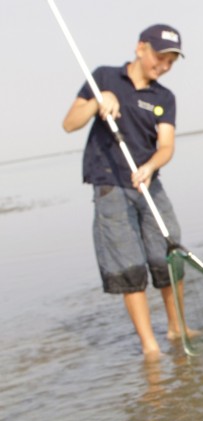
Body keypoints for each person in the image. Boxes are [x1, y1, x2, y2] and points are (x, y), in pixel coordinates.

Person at [62, 24, 186, 360]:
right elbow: (70, 123)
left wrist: (150, 167)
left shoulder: (164, 98)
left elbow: (166, 145)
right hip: (109, 183)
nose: (163, 66)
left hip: (147, 183)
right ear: (140, 48)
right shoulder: (104, 77)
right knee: (128, 266)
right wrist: (100, 101)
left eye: (171, 62)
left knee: (168, 254)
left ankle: (177, 328)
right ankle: (150, 347)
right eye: (160, 57)